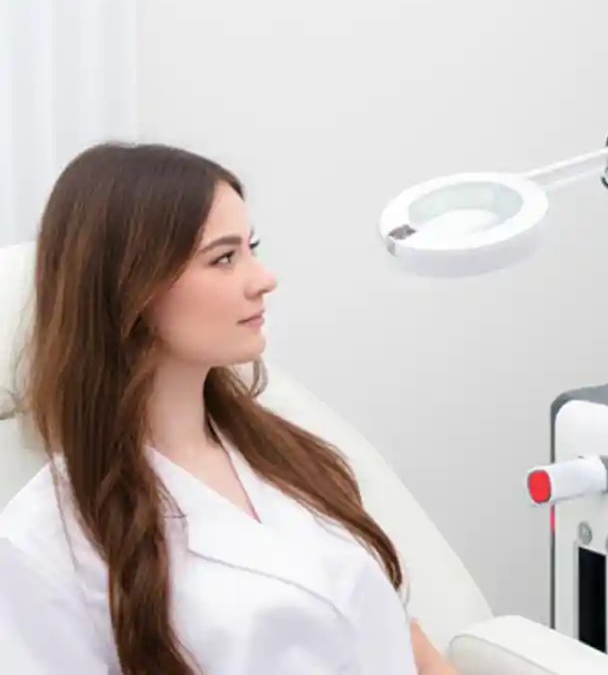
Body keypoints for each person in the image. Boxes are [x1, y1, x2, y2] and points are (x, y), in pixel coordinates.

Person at [0, 143, 457, 674]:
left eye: (251, 247)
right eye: (223, 258)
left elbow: (407, 641)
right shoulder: (43, 542)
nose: (263, 278)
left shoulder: (292, 454)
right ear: (130, 287)